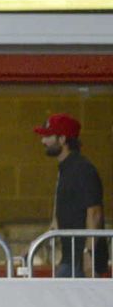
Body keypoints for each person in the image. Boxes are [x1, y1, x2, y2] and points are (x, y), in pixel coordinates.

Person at [34, 113, 107, 277]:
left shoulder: (82, 169)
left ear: (62, 139)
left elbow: (94, 213)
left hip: (81, 261)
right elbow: (59, 218)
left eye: (48, 136)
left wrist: (89, 253)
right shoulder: (67, 169)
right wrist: (32, 247)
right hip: (72, 259)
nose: (43, 141)